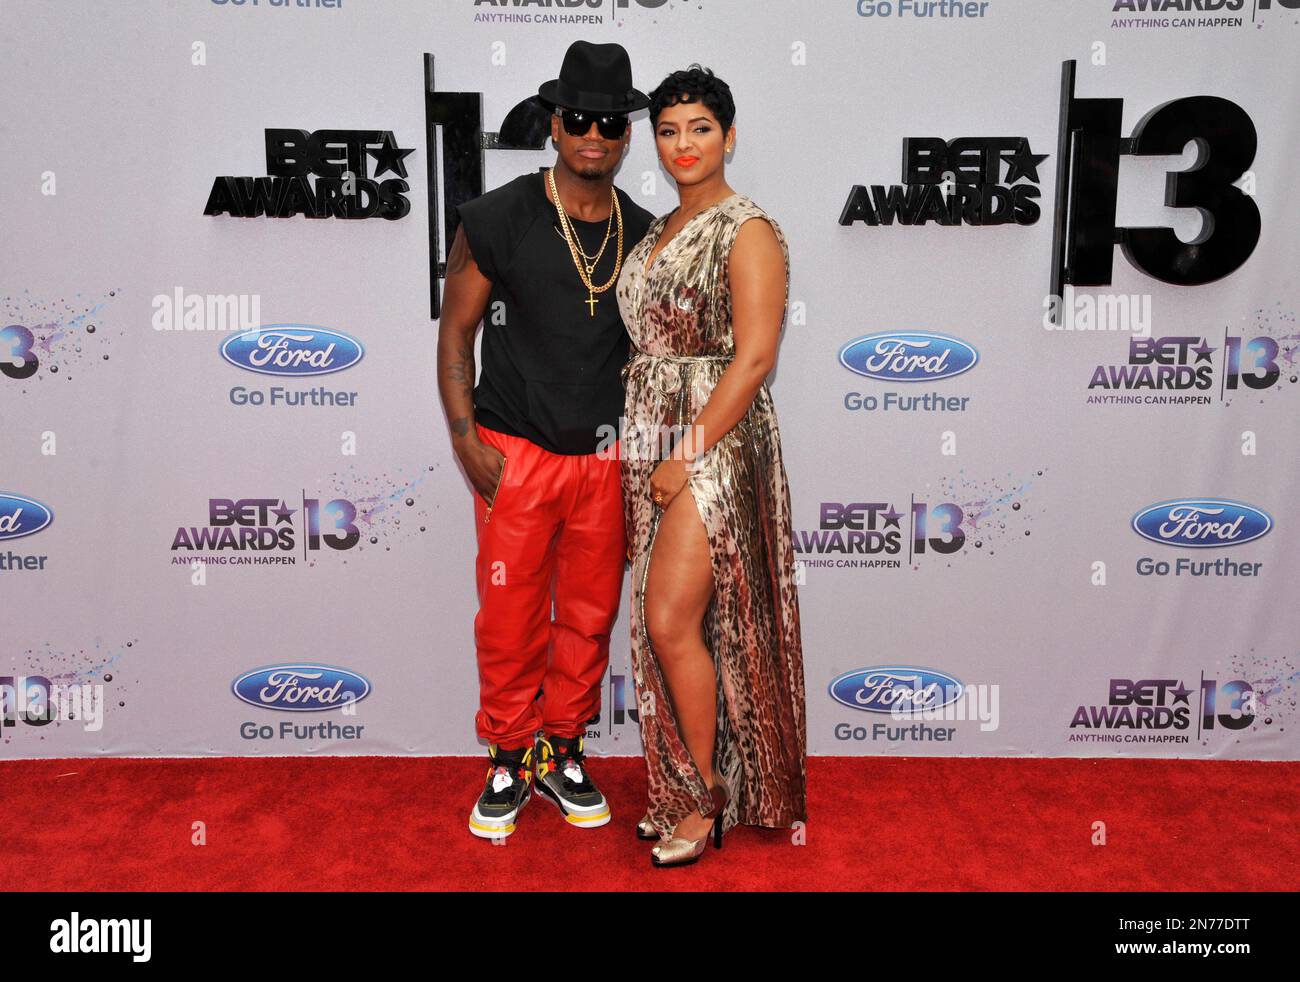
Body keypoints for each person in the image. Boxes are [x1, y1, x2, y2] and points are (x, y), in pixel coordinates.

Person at [437, 40, 655, 840]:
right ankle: (507, 754)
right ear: (554, 126)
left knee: (590, 616)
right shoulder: (499, 216)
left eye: (608, 121)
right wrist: (465, 438)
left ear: (626, 134)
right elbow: (456, 333)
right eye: (577, 119)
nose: (592, 134)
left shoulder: (647, 231)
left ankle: (561, 749)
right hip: (514, 451)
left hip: (606, 460)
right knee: (509, 616)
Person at [614, 64, 808, 867]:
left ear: (729, 136)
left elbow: (756, 356)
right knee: (682, 625)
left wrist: (682, 456)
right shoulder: (657, 229)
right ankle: (692, 780)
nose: (682, 144)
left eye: (699, 128)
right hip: (648, 429)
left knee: (669, 618)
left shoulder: (746, 228)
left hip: (715, 441)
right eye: (668, 130)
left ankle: (706, 798)